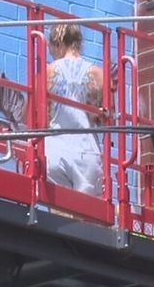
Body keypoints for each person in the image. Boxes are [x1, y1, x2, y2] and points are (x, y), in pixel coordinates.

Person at [44, 23, 104, 195]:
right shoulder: (98, 74)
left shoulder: (47, 72)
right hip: (86, 151)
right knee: (86, 218)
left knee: (58, 217)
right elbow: (106, 118)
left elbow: (38, 116)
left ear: (58, 44)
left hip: (55, 148)